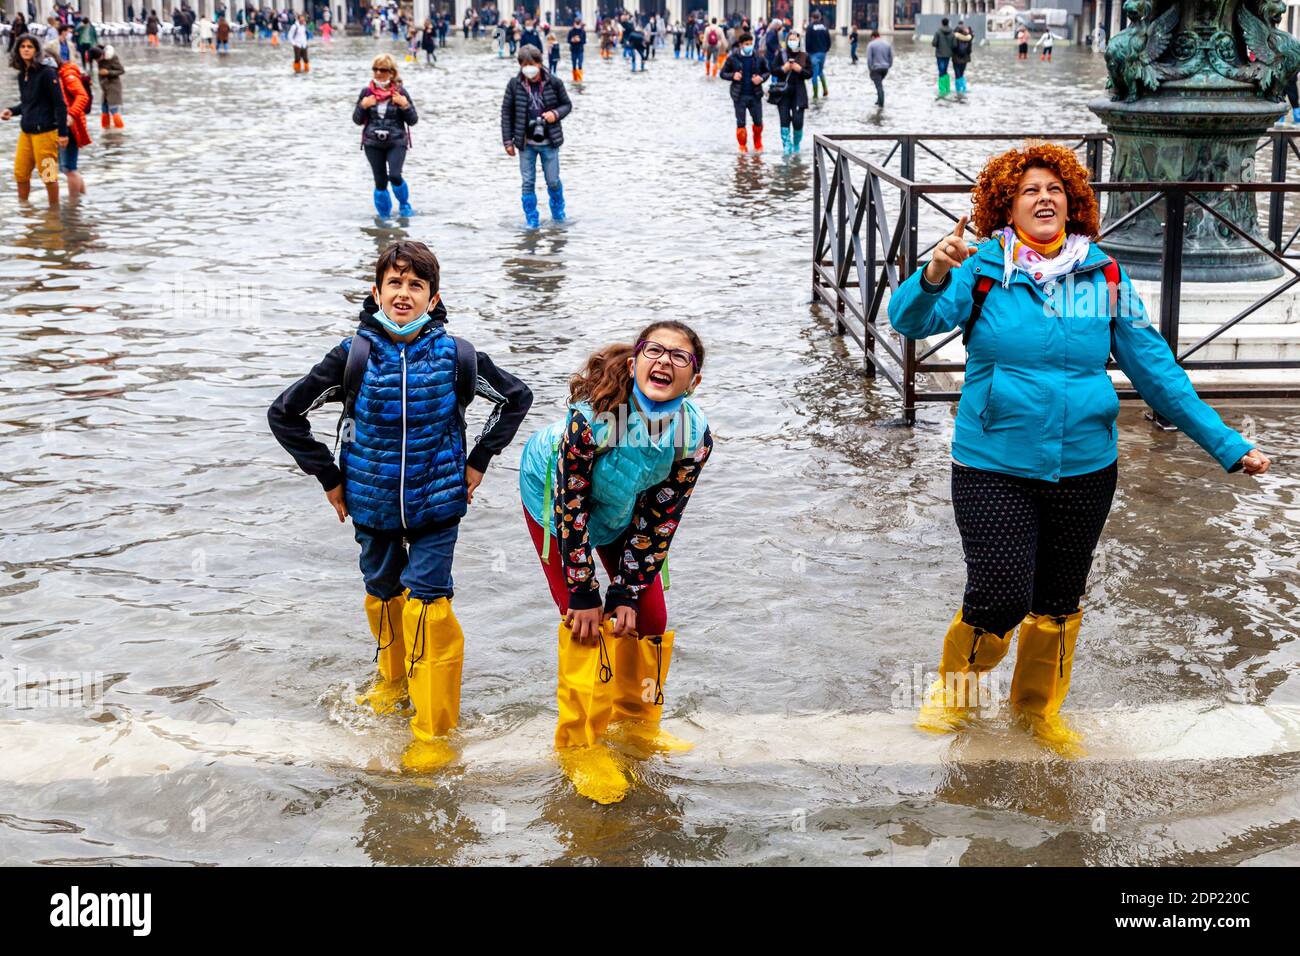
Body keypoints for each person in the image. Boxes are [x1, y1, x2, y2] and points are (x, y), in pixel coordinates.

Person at [887, 144, 1270, 756]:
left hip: (1087, 466)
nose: (1044, 198)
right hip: (992, 462)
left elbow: (1157, 373)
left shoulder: (1104, 275)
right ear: (1006, 207)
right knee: (1000, 594)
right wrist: (934, 271)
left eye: (1055, 189)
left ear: (1073, 202)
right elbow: (907, 322)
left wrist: (1225, 444)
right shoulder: (981, 269)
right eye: (1028, 190)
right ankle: (954, 692)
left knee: (1059, 602)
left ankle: (1038, 714)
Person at [267, 240, 533, 773]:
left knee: (431, 603)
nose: (404, 294)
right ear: (376, 293)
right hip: (370, 502)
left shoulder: (457, 354)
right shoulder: (353, 356)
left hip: (439, 503)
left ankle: (433, 732)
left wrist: (479, 459)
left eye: (416, 285)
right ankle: (392, 683)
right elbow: (284, 414)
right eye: (395, 283)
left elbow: (515, 397)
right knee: (383, 590)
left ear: (434, 298)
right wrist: (329, 476)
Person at [517, 321, 713, 804]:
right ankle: (581, 745)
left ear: (695, 380)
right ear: (634, 363)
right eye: (654, 350)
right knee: (583, 624)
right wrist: (586, 592)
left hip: (626, 509)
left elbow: (662, 516)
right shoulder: (591, 422)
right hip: (556, 504)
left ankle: (636, 724)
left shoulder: (695, 436)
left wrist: (624, 591)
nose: (664, 361)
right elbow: (572, 505)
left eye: (679, 357)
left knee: (649, 619)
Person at [502, 45, 571, 228]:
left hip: (550, 141)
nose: (528, 69)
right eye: (524, 65)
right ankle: (532, 221)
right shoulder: (514, 85)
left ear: (540, 63)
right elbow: (506, 113)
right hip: (525, 143)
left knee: (553, 181)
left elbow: (567, 105)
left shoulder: (554, 82)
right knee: (527, 183)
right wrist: (507, 141)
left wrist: (555, 114)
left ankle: (559, 216)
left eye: (531, 64)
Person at [2, 33, 66, 207]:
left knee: (48, 175)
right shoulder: (23, 74)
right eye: (22, 47)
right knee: (20, 173)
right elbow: (28, 103)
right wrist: (12, 111)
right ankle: (24, 210)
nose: (26, 50)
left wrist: (63, 133)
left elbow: (60, 104)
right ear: (17, 50)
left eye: (30, 47)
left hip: (46, 132)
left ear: (37, 50)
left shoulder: (47, 73)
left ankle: (54, 213)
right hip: (27, 132)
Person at [354, 53, 418, 217]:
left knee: (395, 176)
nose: (378, 73)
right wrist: (363, 105)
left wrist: (405, 105)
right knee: (380, 182)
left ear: (391, 72)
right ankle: (384, 218)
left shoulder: (400, 92)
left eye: (382, 70)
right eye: (375, 69)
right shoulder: (367, 92)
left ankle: (404, 204)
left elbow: (412, 120)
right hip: (372, 143)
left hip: (396, 141)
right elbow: (357, 119)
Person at [43, 41, 89, 201]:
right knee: (67, 167)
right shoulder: (55, 76)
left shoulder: (67, 74)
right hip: (59, 125)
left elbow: (82, 96)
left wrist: (70, 115)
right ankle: (82, 199)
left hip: (70, 127)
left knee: (69, 168)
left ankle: (74, 205)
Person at [720, 32, 768, 153]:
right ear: (741, 45)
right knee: (741, 123)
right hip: (739, 96)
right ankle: (742, 146)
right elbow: (722, 73)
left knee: (758, 121)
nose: (749, 46)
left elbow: (767, 71)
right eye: (747, 44)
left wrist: (761, 79)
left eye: (751, 44)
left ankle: (758, 143)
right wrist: (733, 75)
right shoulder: (733, 58)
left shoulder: (759, 57)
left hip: (755, 95)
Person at [770, 28, 807, 154]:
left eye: (795, 40)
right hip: (783, 93)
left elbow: (810, 73)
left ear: (799, 41)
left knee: (798, 121)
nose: (792, 42)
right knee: (784, 120)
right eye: (790, 40)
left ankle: (796, 143)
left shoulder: (803, 56)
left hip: (799, 93)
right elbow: (773, 69)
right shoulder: (781, 54)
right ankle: (786, 145)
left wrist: (799, 69)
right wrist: (783, 69)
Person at [86, 44, 125, 129]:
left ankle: (119, 130)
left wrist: (108, 72)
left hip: (113, 87)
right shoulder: (96, 55)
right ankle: (106, 129)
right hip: (104, 87)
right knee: (104, 109)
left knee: (113, 109)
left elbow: (121, 70)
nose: (98, 61)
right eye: (96, 60)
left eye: (99, 58)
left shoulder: (112, 57)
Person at [804, 8, 829, 98]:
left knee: (814, 74)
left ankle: (815, 95)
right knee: (820, 71)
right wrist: (825, 50)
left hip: (813, 54)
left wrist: (807, 52)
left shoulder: (810, 28)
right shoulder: (824, 27)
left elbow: (807, 41)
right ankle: (825, 89)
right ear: (819, 17)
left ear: (812, 18)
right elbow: (828, 41)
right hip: (823, 53)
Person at [866, 29, 892, 108]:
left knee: (879, 86)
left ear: (873, 37)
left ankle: (881, 105)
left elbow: (869, 59)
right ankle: (878, 100)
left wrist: (870, 69)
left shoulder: (871, 45)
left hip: (876, 68)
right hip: (885, 68)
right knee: (879, 83)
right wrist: (888, 66)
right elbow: (890, 57)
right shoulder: (887, 44)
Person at [932, 16, 954, 97]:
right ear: (948, 23)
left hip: (940, 54)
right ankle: (947, 87)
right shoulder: (952, 33)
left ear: (942, 23)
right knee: (945, 69)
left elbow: (934, 43)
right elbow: (954, 44)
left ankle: (942, 89)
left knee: (941, 70)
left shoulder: (938, 32)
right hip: (948, 54)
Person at [952, 19, 973, 95]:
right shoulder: (969, 38)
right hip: (965, 58)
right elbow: (970, 49)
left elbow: (954, 47)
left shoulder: (955, 37)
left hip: (956, 58)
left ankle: (958, 90)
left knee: (957, 73)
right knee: (961, 73)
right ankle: (963, 88)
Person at [567, 17, 585, 81]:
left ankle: (580, 78)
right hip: (573, 50)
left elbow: (584, 41)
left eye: (578, 23)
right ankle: (575, 78)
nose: (577, 24)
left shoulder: (583, 31)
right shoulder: (571, 31)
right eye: (576, 23)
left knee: (580, 64)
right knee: (573, 64)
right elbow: (568, 40)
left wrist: (579, 40)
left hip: (580, 50)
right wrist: (572, 40)